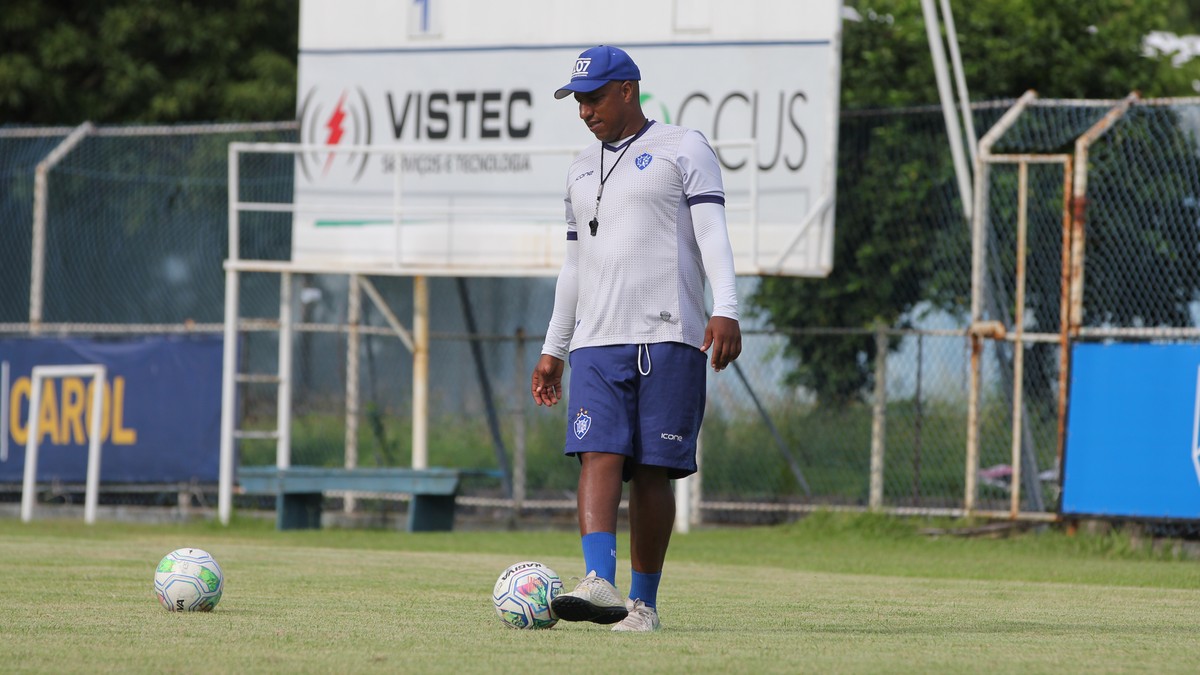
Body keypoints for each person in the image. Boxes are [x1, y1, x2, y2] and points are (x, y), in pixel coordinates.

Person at [530, 45, 741, 632]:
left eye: (594, 98)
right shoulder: (578, 169)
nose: (585, 111)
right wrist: (554, 348)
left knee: (652, 470)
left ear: (628, 90)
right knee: (597, 453)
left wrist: (725, 309)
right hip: (596, 341)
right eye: (578, 101)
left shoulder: (683, 147)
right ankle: (597, 580)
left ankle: (642, 606)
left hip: (669, 336)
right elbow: (573, 266)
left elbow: (713, 236)